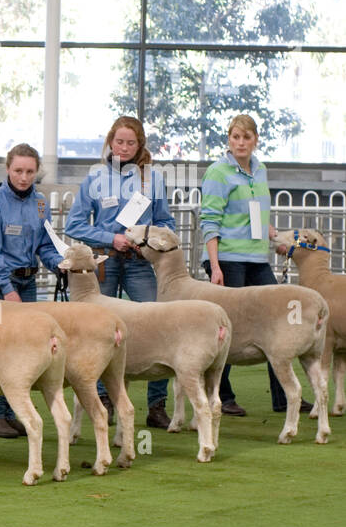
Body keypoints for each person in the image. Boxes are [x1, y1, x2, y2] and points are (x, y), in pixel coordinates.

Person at [66, 116, 176, 429]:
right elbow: (74, 224)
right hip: (105, 261)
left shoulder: (152, 179)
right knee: (98, 330)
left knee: (159, 322)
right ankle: (102, 400)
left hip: (141, 262)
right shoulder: (95, 178)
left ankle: (157, 405)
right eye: (119, 141)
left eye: (131, 142)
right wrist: (109, 238)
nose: (124, 147)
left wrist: (149, 238)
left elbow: (166, 222)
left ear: (139, 145)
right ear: (110, 142)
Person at [200, 113, 306, 417]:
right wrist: (215, 266)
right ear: (228, 140)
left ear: (255, 140)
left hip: (257, 258)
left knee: (277, 323)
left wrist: (275, 238)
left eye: (246, 137)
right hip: (228, 259)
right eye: (235, 137)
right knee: (227, 327)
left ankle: (283, 396)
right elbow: (210, 220)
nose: (241, 142)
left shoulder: (260, 171)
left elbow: (256, 214)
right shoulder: (217, 172)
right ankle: (221, 395)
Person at [0, 142, 65, 439]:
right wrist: (6, 289)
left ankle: (9, 412)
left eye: (29, 171)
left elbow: (45, 245)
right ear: (7, 169)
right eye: (18, 171)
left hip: (28, 283)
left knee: (23, 349)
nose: (24, 177)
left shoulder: (40, 203)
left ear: (37, 171)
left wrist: (60, 264)